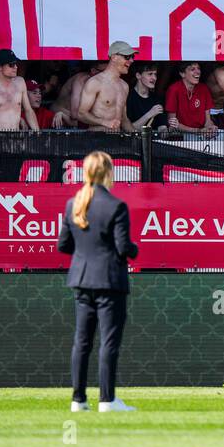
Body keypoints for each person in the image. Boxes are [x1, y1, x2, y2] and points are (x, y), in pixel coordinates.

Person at [57, 151, 139, 413]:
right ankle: (107, 399)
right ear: (108, 173)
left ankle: (78, 400)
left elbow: (63, 245)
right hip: (109, 281)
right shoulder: (116, 206)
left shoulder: (74, 204)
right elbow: (124, 246)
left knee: (82, 342)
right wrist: (135, 250)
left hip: (81, 280)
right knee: (108, 341)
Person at [76, 42, 136, 131]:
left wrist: (138, 136)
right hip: (97, 140)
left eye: (132, 57)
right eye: (127, 57)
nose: (131, 60)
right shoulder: (95, 82)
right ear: (114, 57)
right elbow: (81, 114)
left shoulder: (124, 86)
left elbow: (124, 120)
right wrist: (105, 122)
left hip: (117, 140)